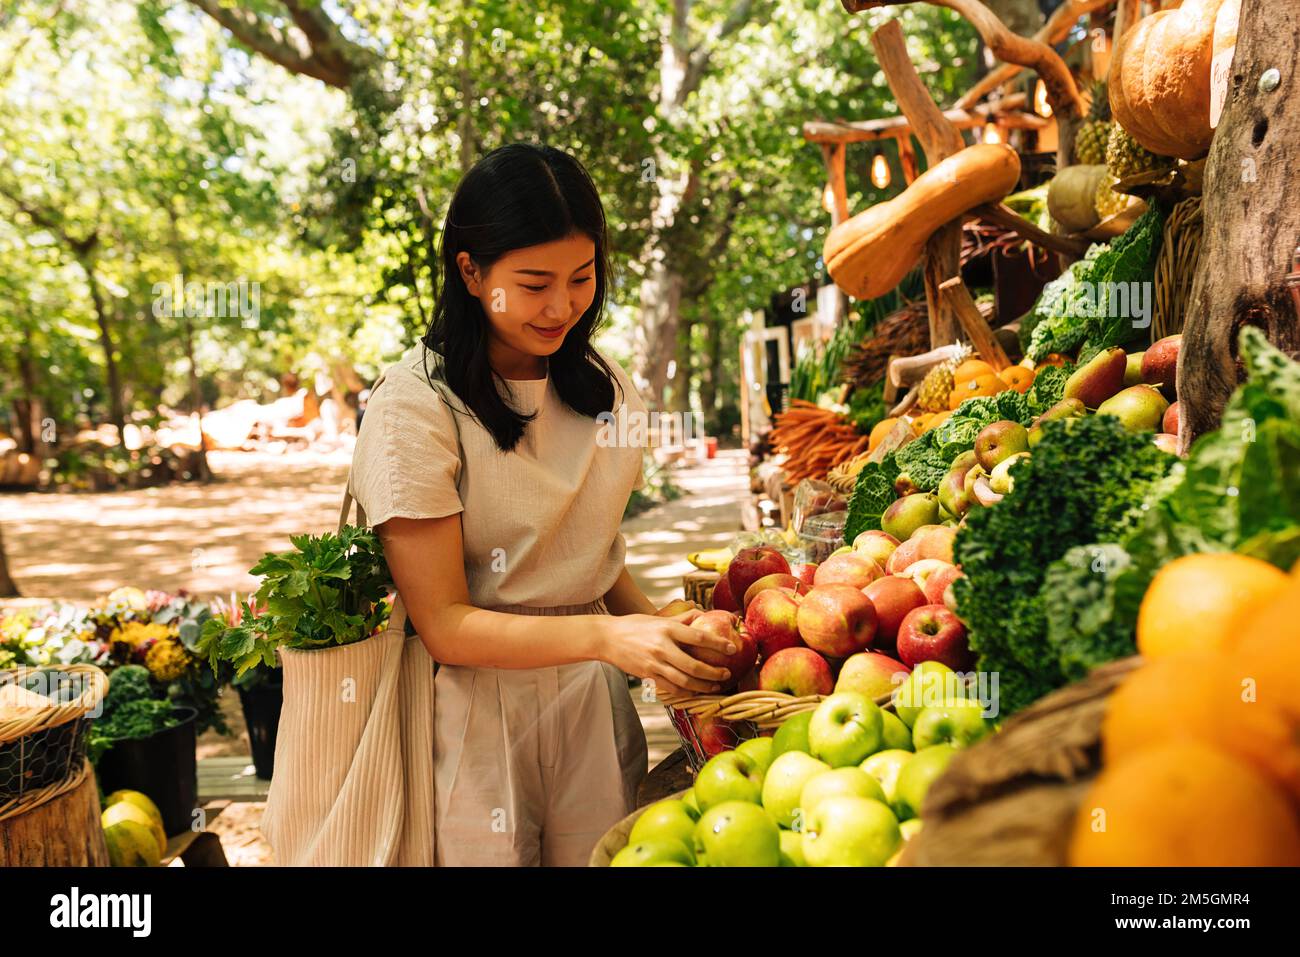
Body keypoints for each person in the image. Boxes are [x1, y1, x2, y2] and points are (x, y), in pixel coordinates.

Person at [348, 144, 733, 866]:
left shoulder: (607, 389)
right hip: (472, 714)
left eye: (581, 279)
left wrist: (654, 629)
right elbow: (447, 626)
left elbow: (588, 554)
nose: (562, 306)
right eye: (533, 284)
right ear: (470, 271)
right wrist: (608, 640)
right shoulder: (415, 406)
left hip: (591, 703)